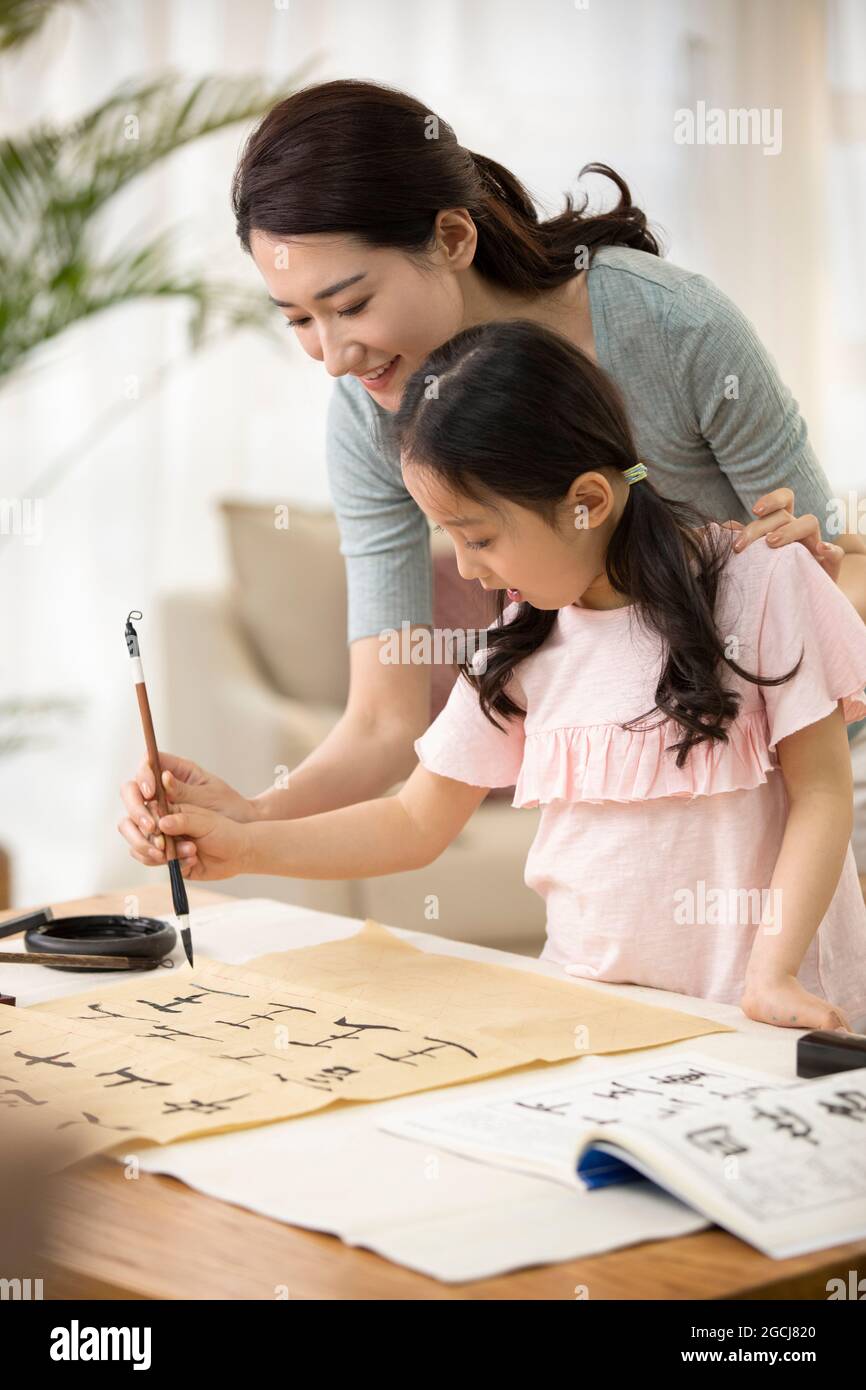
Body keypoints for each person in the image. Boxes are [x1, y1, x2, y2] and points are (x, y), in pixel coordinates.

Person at [117, 77, 866, 882]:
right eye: (299, 319)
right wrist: (249, 817)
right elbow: (382, 721)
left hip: (791, 783)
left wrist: (800, 581)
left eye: (352, 303)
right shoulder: (368, 418)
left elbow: (838, 580)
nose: (334, 357)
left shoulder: (670, 325)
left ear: (451, 237)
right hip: (632, 830)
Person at [147, 321, 866, 1033]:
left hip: (771, 1014)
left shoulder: (762, 576)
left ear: (588, 500)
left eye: (478, 536)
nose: (463, 567)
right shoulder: (516, 649)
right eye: (449, 537)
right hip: (599, 1019)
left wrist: (771, 972)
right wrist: (242, 845)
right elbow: (412, 821)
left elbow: (823, 793)